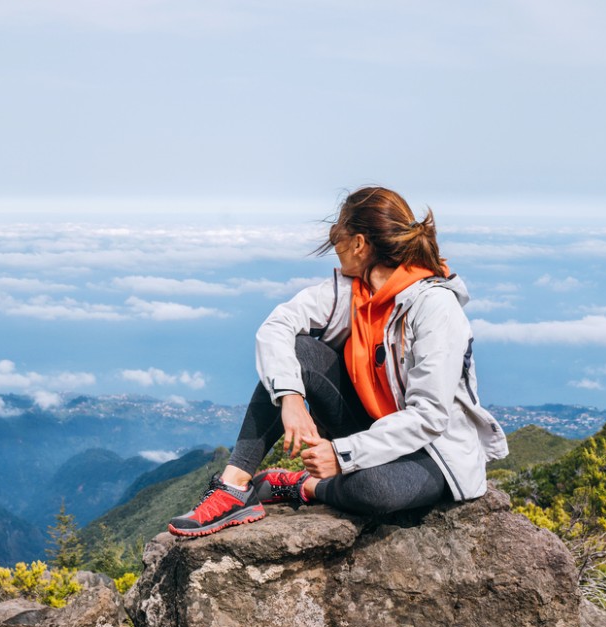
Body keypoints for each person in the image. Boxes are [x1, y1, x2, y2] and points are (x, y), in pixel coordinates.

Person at [168, 186, 508, 537]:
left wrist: (342, 454)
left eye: (338, 237)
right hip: (369, 427)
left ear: (359, 243)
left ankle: (303, 486)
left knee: (376, 490)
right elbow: (276, 328)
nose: (334, 246)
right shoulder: (350, 292)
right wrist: (291, 398)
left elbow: (429, 416)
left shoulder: (435, 307)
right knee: (299, 351)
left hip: (433, 450)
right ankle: (234, 486)